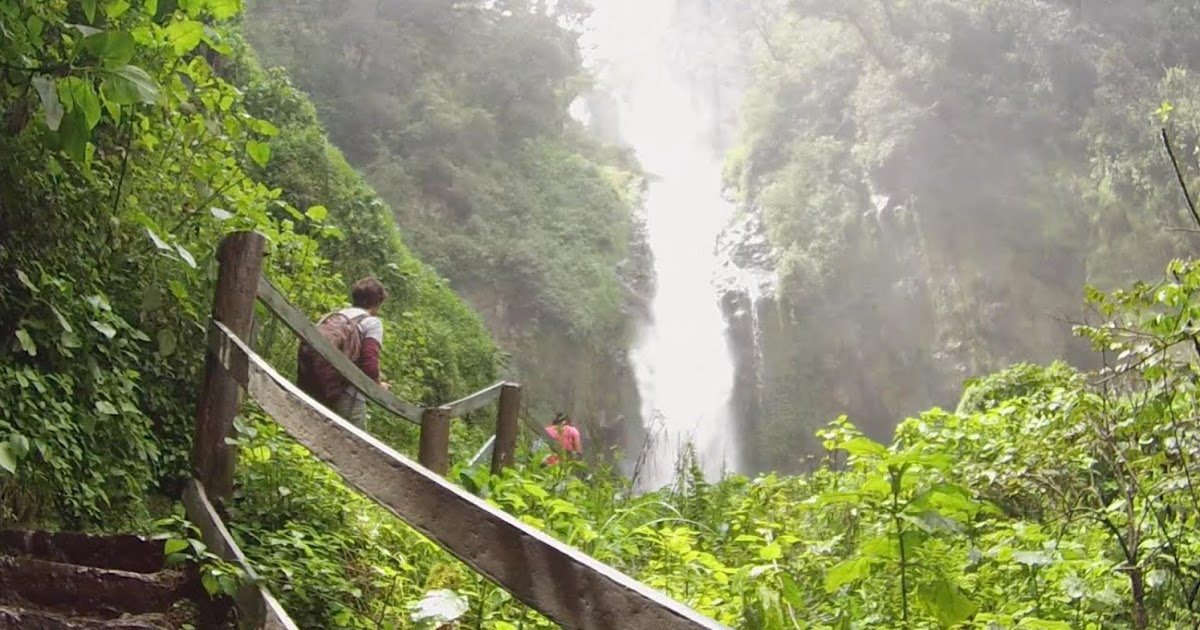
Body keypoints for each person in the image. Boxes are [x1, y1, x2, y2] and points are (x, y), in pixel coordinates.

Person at [297, 277, 390, 427]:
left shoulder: (332, 316)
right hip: (345, 390)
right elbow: (369, 363)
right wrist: (378, 385)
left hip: (316, 382)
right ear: (378, 302)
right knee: (355, 441)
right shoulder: (372, 322)